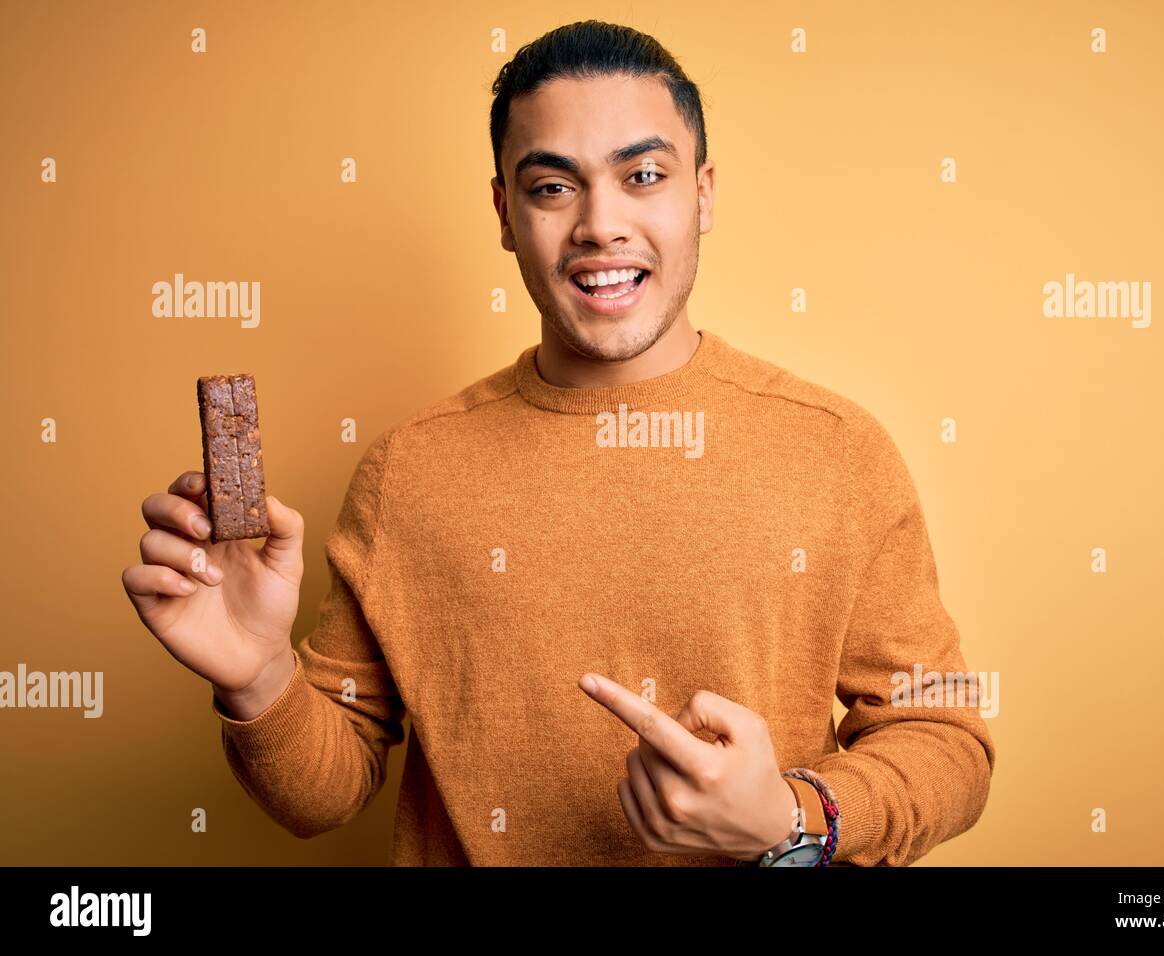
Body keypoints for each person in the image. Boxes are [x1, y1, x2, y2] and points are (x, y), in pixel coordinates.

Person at [122, 19, 994, 867]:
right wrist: (258, 675)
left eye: (644, 175)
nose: (600, 226)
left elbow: (945, 738)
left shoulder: (837, 449)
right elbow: (327, 793)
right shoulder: (407, 472)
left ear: (704, 192)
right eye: (552, 187)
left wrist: (790, 816)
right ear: (505, 213)